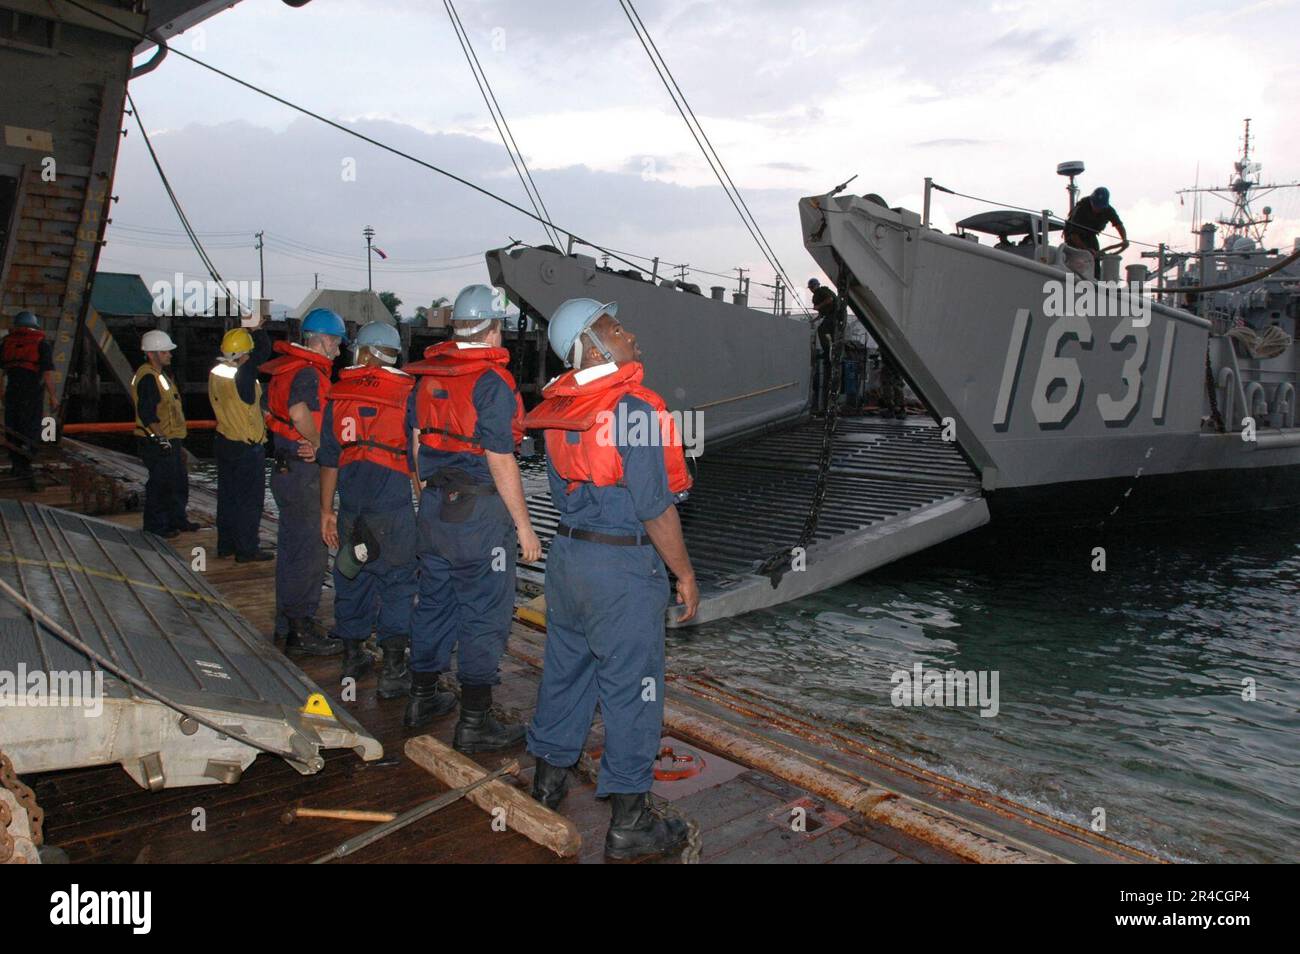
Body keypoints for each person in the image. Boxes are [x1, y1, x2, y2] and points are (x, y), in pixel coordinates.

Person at [523, 297, 699, 861]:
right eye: (614, 327)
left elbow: (562, 493)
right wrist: (685, 574)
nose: (629, 333)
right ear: (594, 346)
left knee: (566, 674)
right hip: (622, 570)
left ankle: (545, 788)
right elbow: (654, 506)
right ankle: (629, 825)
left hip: (570, 561)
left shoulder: (556, 410)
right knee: (632, 692)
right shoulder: (635, 412)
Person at [404, 284, 541, 751]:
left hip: (436, 510)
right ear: (493, 329)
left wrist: (424, 498)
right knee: (484, 614)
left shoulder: (427, 378)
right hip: (479, 516)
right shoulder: (491, 382)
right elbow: (501, 457)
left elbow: (418, 444)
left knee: (434, 603)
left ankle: (421, 697)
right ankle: (475, 723)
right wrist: (523, 526)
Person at [318, 321, 417, 700]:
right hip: (391, 511)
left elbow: (330, 459)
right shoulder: (408, 393)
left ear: (363, 351)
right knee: (397, 584)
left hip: (351, 510)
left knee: (351, 579)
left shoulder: (337, 394)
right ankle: (393, 671)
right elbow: (416, 459)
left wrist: (326, 510)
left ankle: (352, 656)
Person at [261, 308, 346, 656]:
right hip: (302, 474)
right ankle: (301, 629)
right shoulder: (309, 373)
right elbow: (298, 413)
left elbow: (269, 411)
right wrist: (318, 444)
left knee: (292, 548)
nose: (338, 352)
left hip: (284, 468)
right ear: (323, 340)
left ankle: (287, 623)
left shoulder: (286, 369)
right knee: (310, 552)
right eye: (336, 344)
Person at [208, 320, 272, 562]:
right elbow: (264, 352)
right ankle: (246, 549)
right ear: (244, 353)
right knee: (249, 501)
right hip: (246, 448)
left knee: (228, 497)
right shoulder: (243, 375)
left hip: (225, 441)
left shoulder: (218, 372)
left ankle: (226, 545)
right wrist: (258, 330)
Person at [131, 329, 196, 538]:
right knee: (160, 484)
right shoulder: (148, 378)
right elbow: (147, 413)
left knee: (177, 481)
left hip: (170, 438)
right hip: (157, 440)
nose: (170, 355)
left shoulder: (161, 376)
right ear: (152, 354)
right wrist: (161, 439)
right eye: (165, 352)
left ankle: (177, 520)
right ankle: (156, 527)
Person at [0, 311, 58, 487]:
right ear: (34, 325)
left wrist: (1, 392)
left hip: (12, 391)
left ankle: (16, 464)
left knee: (12, 425)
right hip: (31, 393)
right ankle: (26, 464)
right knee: (30, 427)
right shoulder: (41, 343)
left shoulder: (6, 343)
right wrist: (53, 397)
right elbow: (47, 373)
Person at [1064, 186, 1128, 278]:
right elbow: (1073, 235)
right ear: (1091, 201)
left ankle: (1095, 280)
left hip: (1090, 236)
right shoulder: (1081, 208)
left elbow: (1119, 225)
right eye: (1096, 205)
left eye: (1100, 207)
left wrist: (1124, 239)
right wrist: (1086, 249)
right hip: (1074, 238)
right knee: (1079, 260)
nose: (1097, 209)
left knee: (1095, 260)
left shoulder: (1108, 210)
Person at [808, 278, 837, 413]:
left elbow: (830, 300)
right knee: (825, 330)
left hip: (834, 316)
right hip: (832, 316)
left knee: (822, 331)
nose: (811, 289)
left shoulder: (821, 292)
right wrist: (813, 320)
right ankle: (830, 350)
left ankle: (827, 351)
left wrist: (819, 306)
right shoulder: (818, 294)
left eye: (811, 287)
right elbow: (821, 314)